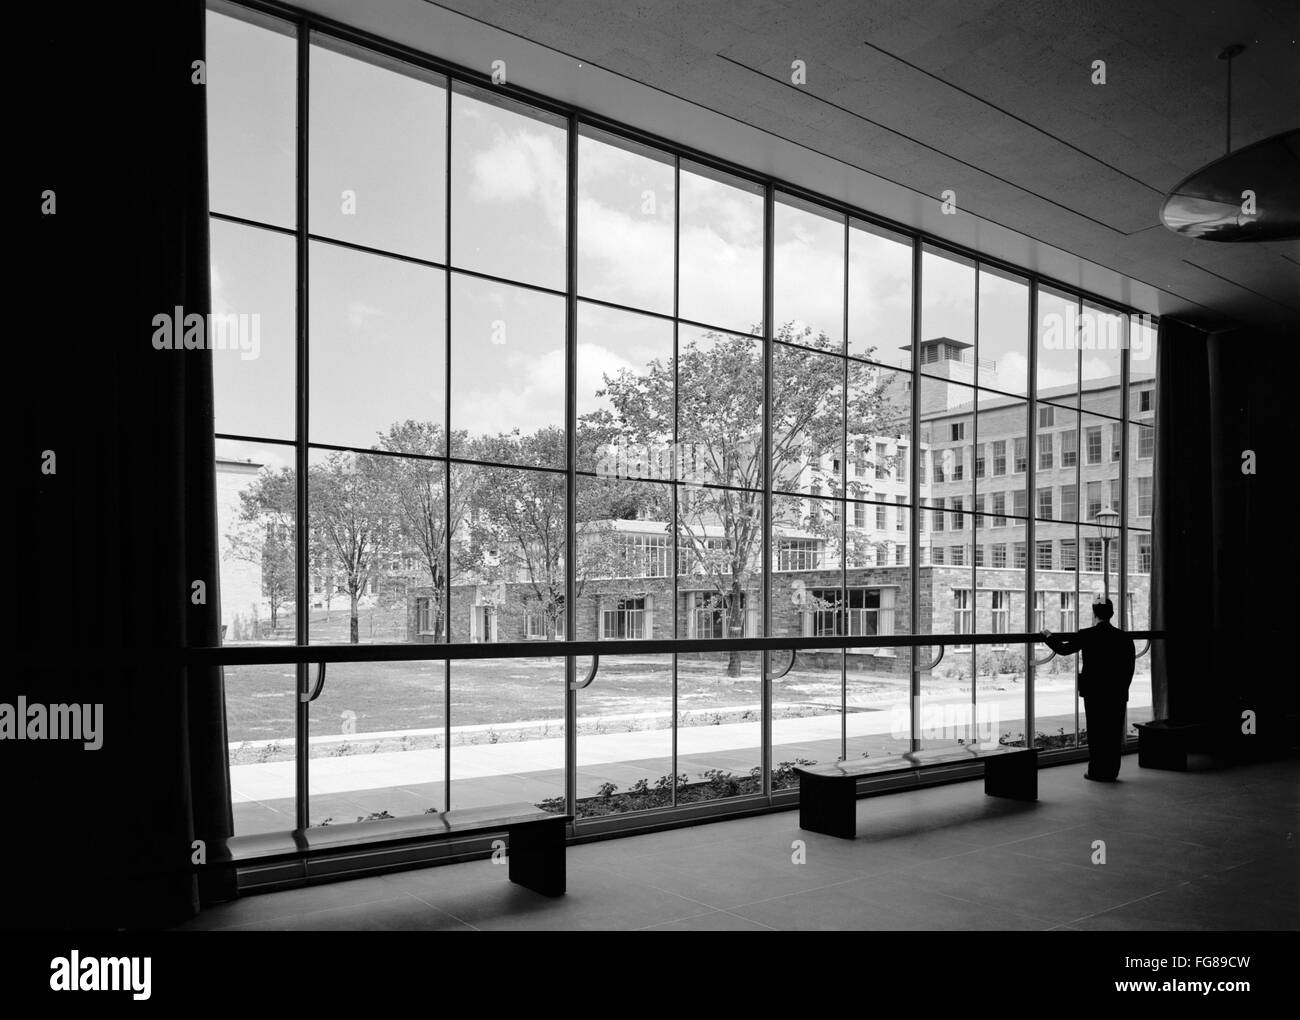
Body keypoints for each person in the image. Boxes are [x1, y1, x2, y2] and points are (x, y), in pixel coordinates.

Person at [1041, 598, 1136, 781]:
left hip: (1094, 691)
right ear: (1112, 613)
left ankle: (1096, 771)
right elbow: (1129, 667)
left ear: (1094, 614)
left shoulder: (1087, 634)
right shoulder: (1124, 637)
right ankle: (1111, 771)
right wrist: (1123, 688)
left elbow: (1063, 650)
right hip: (1116, 692)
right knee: (1113, 733)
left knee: (1096, 731)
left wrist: (1047, 635)